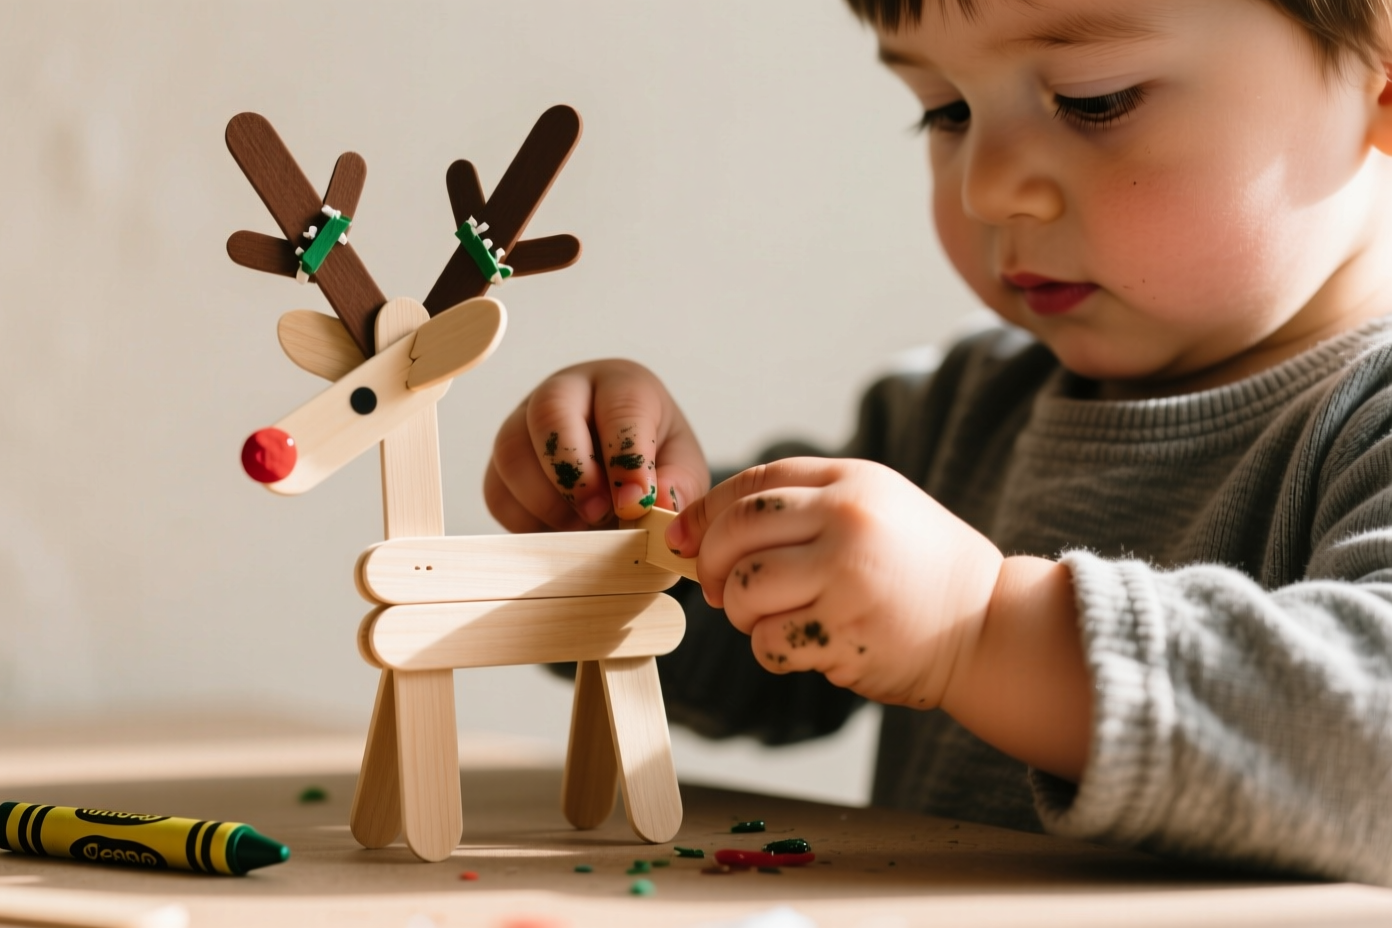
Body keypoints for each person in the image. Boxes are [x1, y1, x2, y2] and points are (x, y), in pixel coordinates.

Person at [483, 0, 1392, 885]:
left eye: (1094, 99)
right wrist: (632, 536)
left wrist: (980, 625)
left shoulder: (1369, 416)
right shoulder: (964, 407)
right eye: (945, 111)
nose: (987, 186)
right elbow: (758, 661)